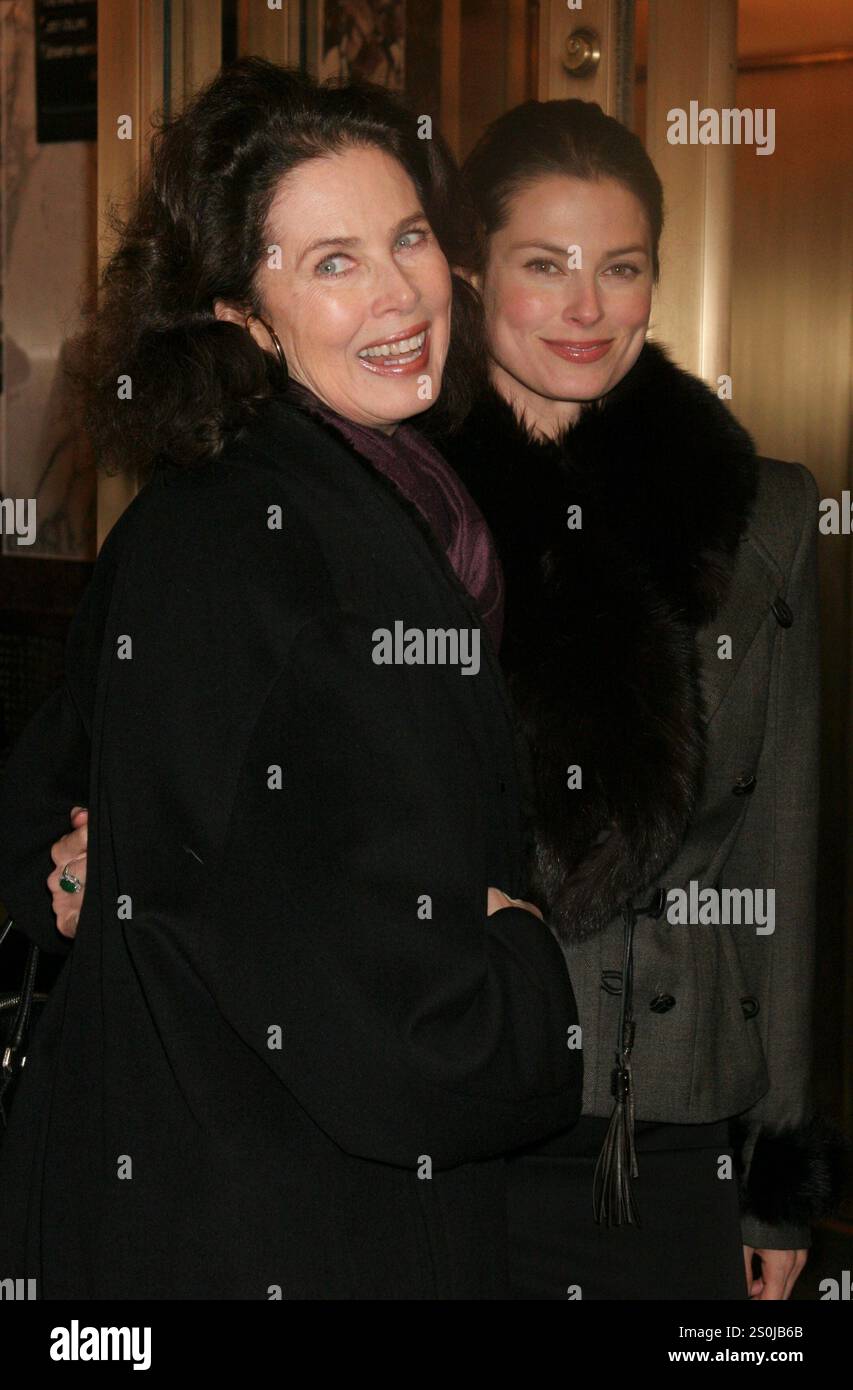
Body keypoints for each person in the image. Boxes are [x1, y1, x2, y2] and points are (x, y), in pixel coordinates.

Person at [0, 61, 583, 1300]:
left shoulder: (372, 490)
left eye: (407, 238)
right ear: (237, 319)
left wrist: (96, 854)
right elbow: (379, 1004)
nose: (399, 292)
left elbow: (78, 776)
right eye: (331, 262)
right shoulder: (255, 533)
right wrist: (523, 982)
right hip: (268, 1207)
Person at [427, 99, 843, 1299]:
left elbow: (783, 844)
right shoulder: (399, 510)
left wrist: (779, 1170)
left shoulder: (758, 516)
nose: (585, 307)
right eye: (543, 265)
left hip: (656, 1118)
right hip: (447, 1098)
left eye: (620, 268)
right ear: (469, 272)